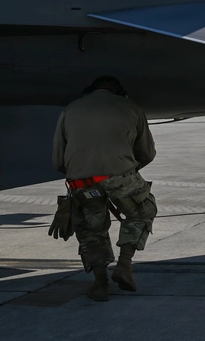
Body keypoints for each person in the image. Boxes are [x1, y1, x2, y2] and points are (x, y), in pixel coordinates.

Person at [52, 76, 157, 302]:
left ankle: (101, 284)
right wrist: (120, 170)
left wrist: (88, 173)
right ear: (119, 92)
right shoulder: (131, 107)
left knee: (91, 229)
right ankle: (124, 266)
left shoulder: (70, 109)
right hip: (120, 178)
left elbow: (58, 161)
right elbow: (147, 153)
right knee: (142, 211)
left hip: (81, 182)